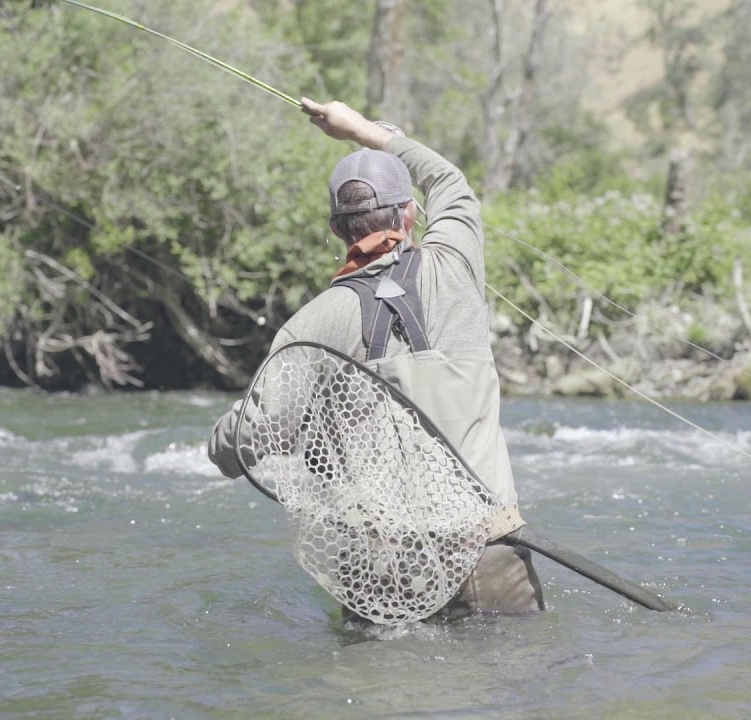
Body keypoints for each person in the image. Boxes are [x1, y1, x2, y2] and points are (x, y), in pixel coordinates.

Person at [208, 98, 543, 620]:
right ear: (410, 214)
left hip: (383, 566)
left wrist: (219, 447)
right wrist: (362, 131)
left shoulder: (311, 325)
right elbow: (448, 178)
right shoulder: (456, 261)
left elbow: (259, 429)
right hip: (489, 552)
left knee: (384, 694)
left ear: (338, 230)